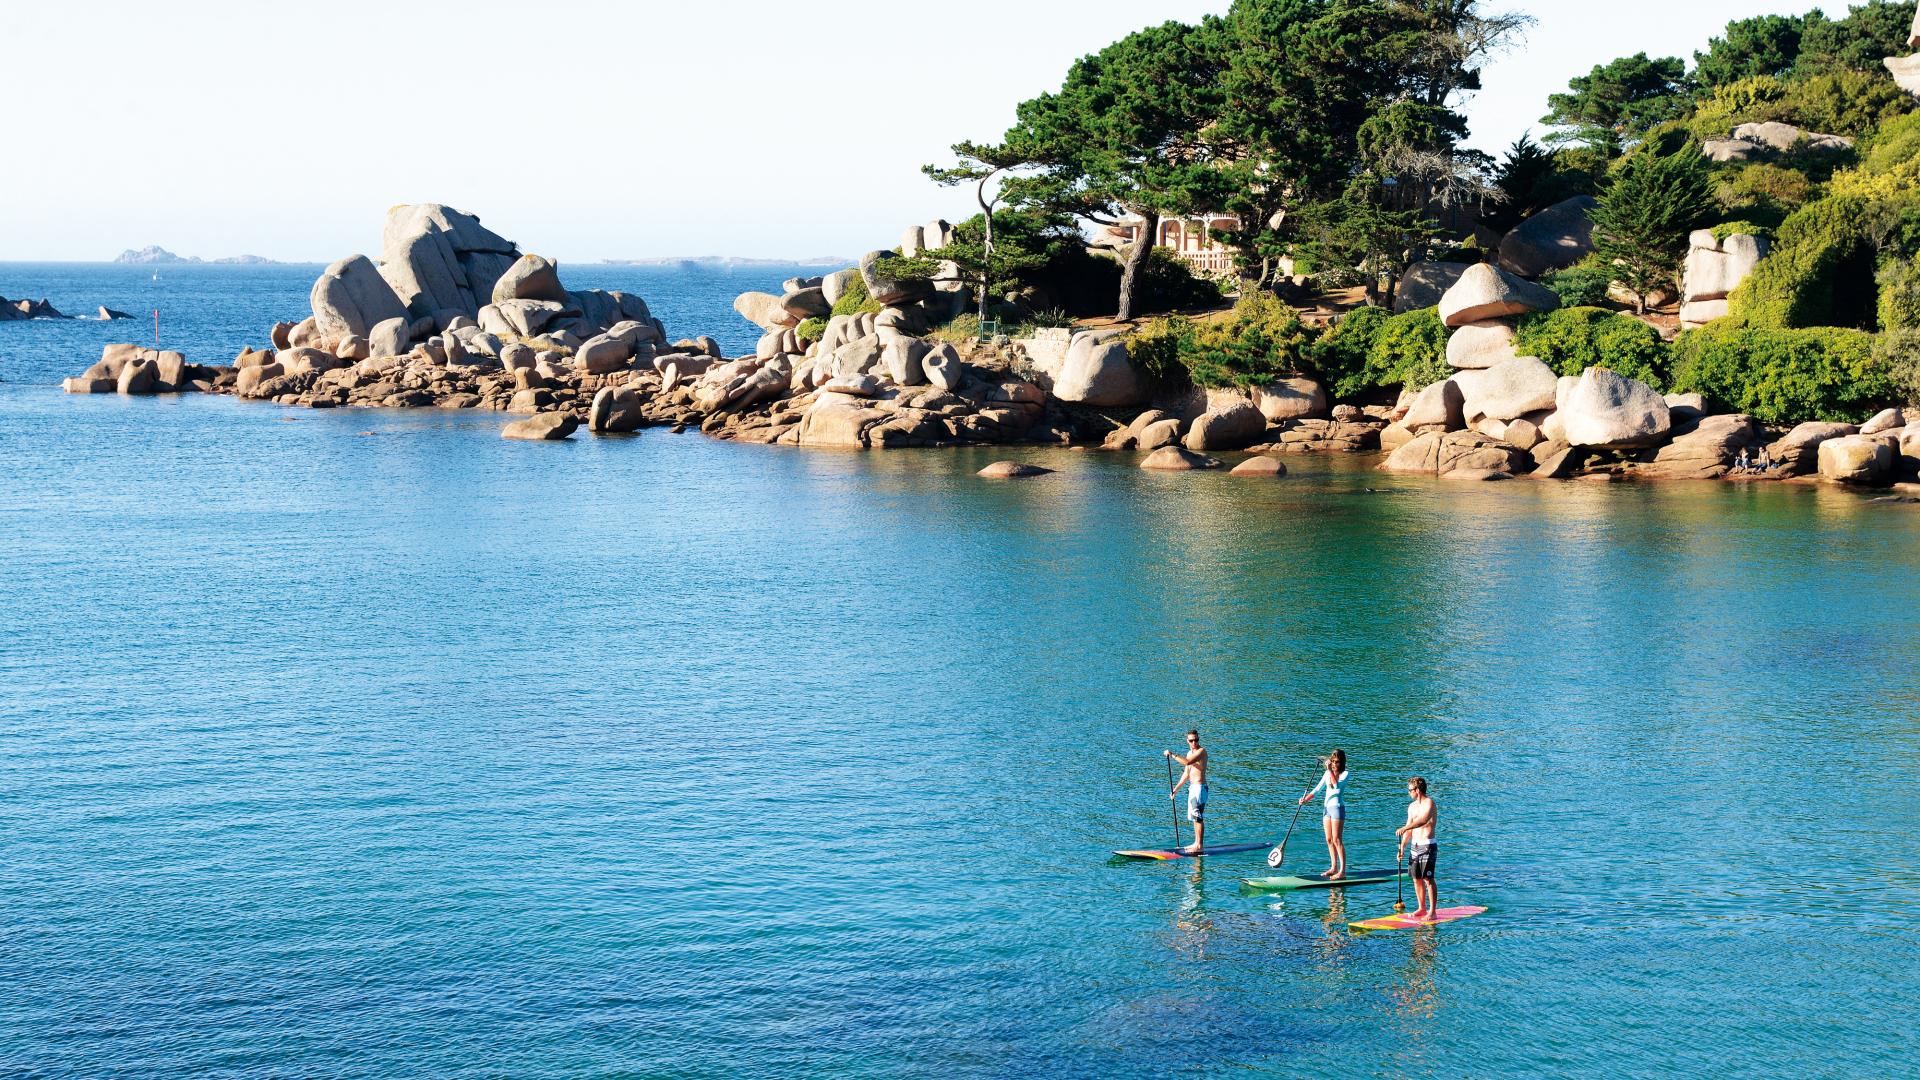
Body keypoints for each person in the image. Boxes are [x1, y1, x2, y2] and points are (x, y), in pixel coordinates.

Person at [1300, 750, 1349, 880]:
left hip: (1338, 808)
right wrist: (1305, 799)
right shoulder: (1328, 773)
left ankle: (1342, 871)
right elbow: (1317, 789)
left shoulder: (1345, 774)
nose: (1334, 764)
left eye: (1337, 762)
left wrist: (1329, 771)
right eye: (1332, 761)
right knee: (1329, 839)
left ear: (1342, 762)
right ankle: (1334, 867)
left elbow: (1336, 785)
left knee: (1337, 839)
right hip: (1326, 809)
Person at [1395, 776, 1439, 921]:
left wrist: (1405, 827)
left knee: (1428, 879)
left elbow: (1423, 821)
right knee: (1416, 879)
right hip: (1414, 847)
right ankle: (1422, 908)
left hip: (1428, 845)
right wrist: (1402, 848)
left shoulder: (1429, 803)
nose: (1409, 793)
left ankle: (1432, 912)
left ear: (1417, 790)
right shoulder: (1412, 807)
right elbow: (1409, 830)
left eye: (1410, 790)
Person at [1165, 730, 1208, 854]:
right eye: (1191, 740)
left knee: (1198, 816)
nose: (1194, 742)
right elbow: (1186, 774)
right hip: (1193, 788)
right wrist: (1176, 789)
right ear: (1187, 741)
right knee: (1195, 817)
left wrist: (1172, 754)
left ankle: (1199, 845)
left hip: (1200, 788)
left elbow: (1188, 762)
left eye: (1196, 740)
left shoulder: (1201, 751)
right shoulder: (1189, 753)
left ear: (1198, 739)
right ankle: (1196, 843)